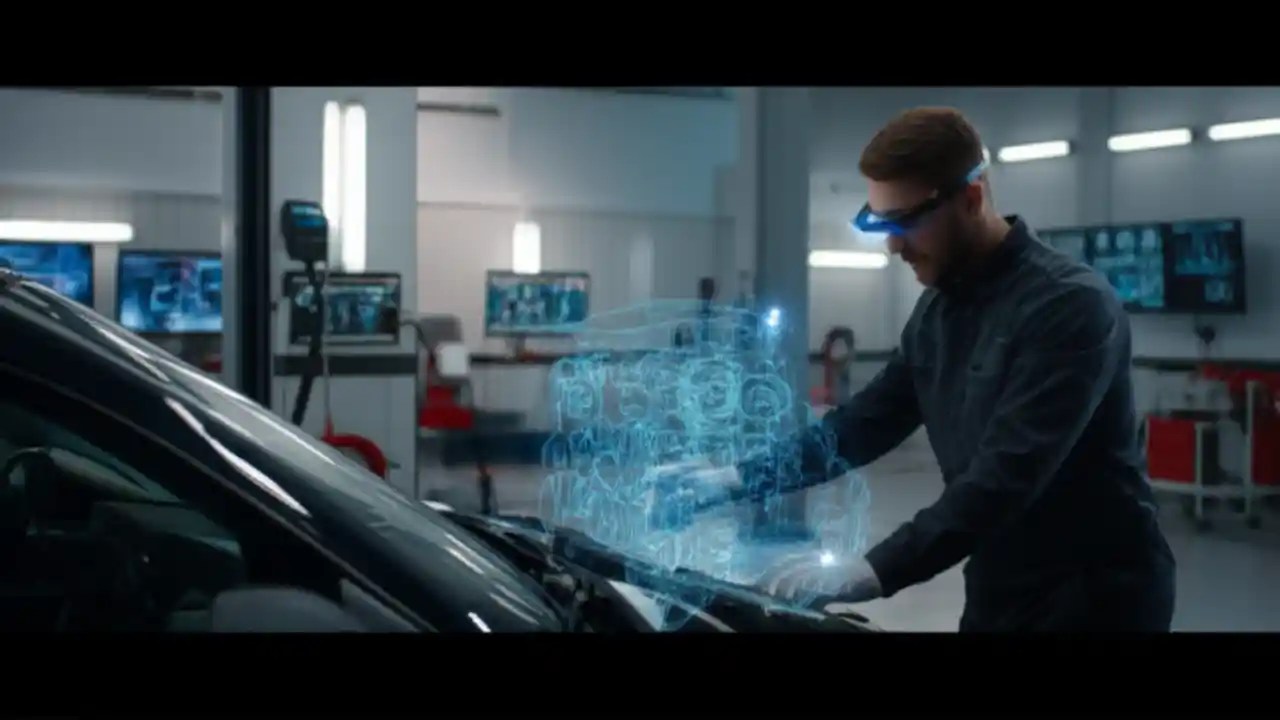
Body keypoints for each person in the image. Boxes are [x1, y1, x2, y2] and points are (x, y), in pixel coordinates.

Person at [652, 107, 1176, 632]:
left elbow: (1006, 477)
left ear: (971, 198)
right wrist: (736, 477)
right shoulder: (938, 310)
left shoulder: (1068, 306)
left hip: (1098, 594)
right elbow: (861, 425)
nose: (893, 244)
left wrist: (874, 570)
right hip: (1000, 578)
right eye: (882, 222)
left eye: (905, 222)